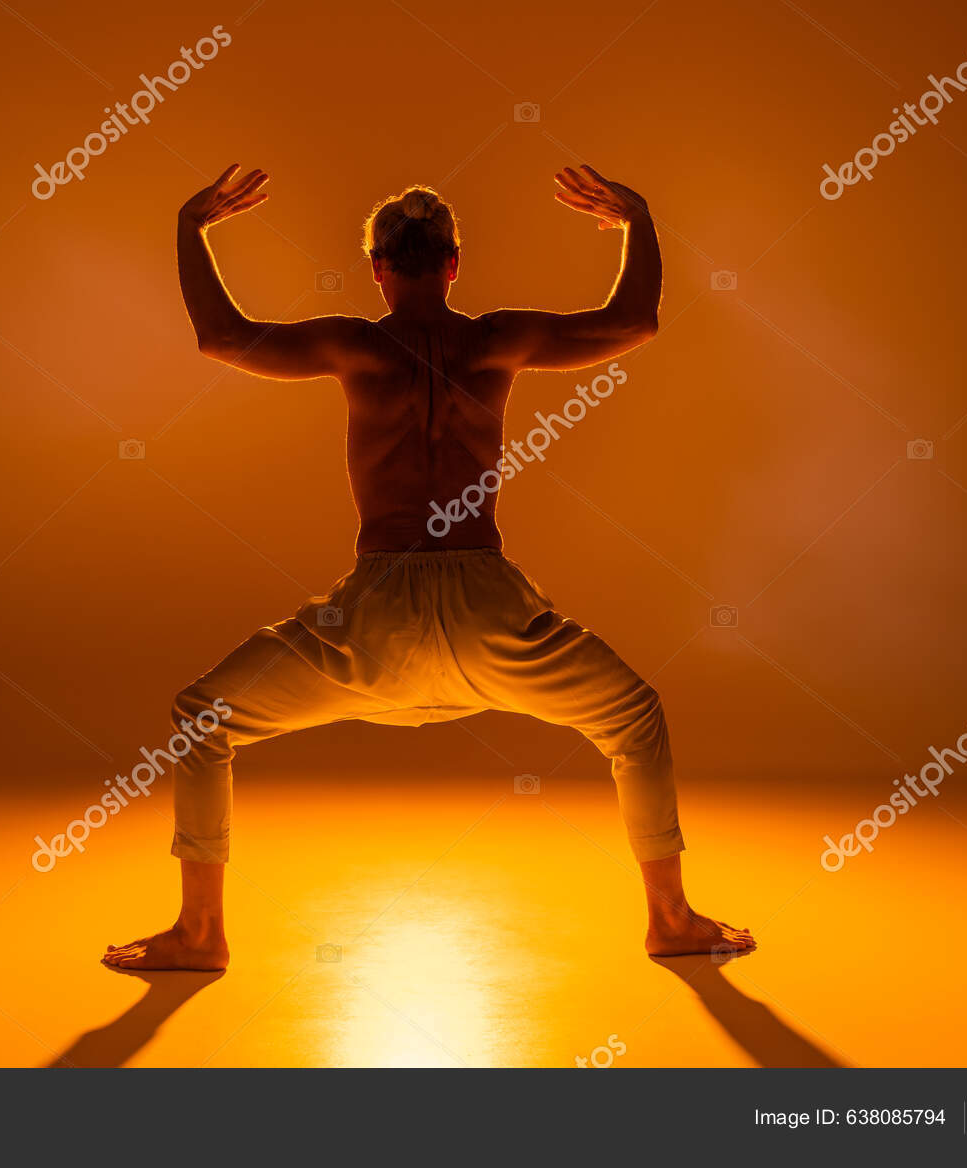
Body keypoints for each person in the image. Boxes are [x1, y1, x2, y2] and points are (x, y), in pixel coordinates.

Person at [104, 165, 755, 971]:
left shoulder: (357, 345)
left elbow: (222, 337)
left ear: (378, 268)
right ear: (453, 263)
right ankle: (672, 921)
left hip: (372, 618)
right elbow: (636, 321)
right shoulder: (495, 341)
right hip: (492, 609)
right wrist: (640, 218)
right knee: (635, 717)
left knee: (206, 719)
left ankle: (201, 935)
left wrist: (189, 227)